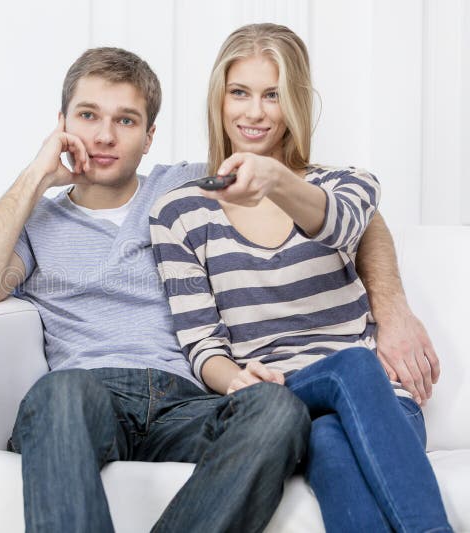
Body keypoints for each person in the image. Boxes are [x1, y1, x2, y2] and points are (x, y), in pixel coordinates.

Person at [0, 47, 310, 532]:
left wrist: (392, 304)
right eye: (88, 115)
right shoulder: (34, 223)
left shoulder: (186, 186)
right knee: (59, 391)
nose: (105, 136)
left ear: (150, 136)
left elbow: (319, 191)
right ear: (62, 122)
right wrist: (36, 177)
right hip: (86, 398)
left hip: (189, 401)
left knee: (279, 409)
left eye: (127, 121)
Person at [150, 23, 452, 532]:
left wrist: (275, 179)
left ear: (294, 103)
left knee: (333, 439)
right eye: (240, 93)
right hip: (281, 395)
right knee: (353, 365)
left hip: (376, 403)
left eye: (272, 95)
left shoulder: (346, 184)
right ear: (218, 100)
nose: (253, 111)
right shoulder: (179, 213)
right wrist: (237, 381)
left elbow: (338, 224)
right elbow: (202, 343)